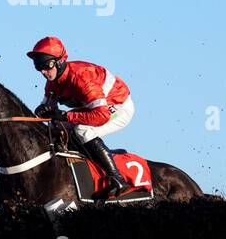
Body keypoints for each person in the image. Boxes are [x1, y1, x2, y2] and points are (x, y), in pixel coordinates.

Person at [28, 36, 142, 200]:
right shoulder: (52, 82)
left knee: (82, 129)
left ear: (60, 61)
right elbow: (46, 111)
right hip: (95, 108)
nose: (44, 72)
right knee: (57, 129)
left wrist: (67, 116)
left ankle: (117, 178)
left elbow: (101, 115)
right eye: (38, 66)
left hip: (118, 106)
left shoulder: (82, 78)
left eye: (47, 65)